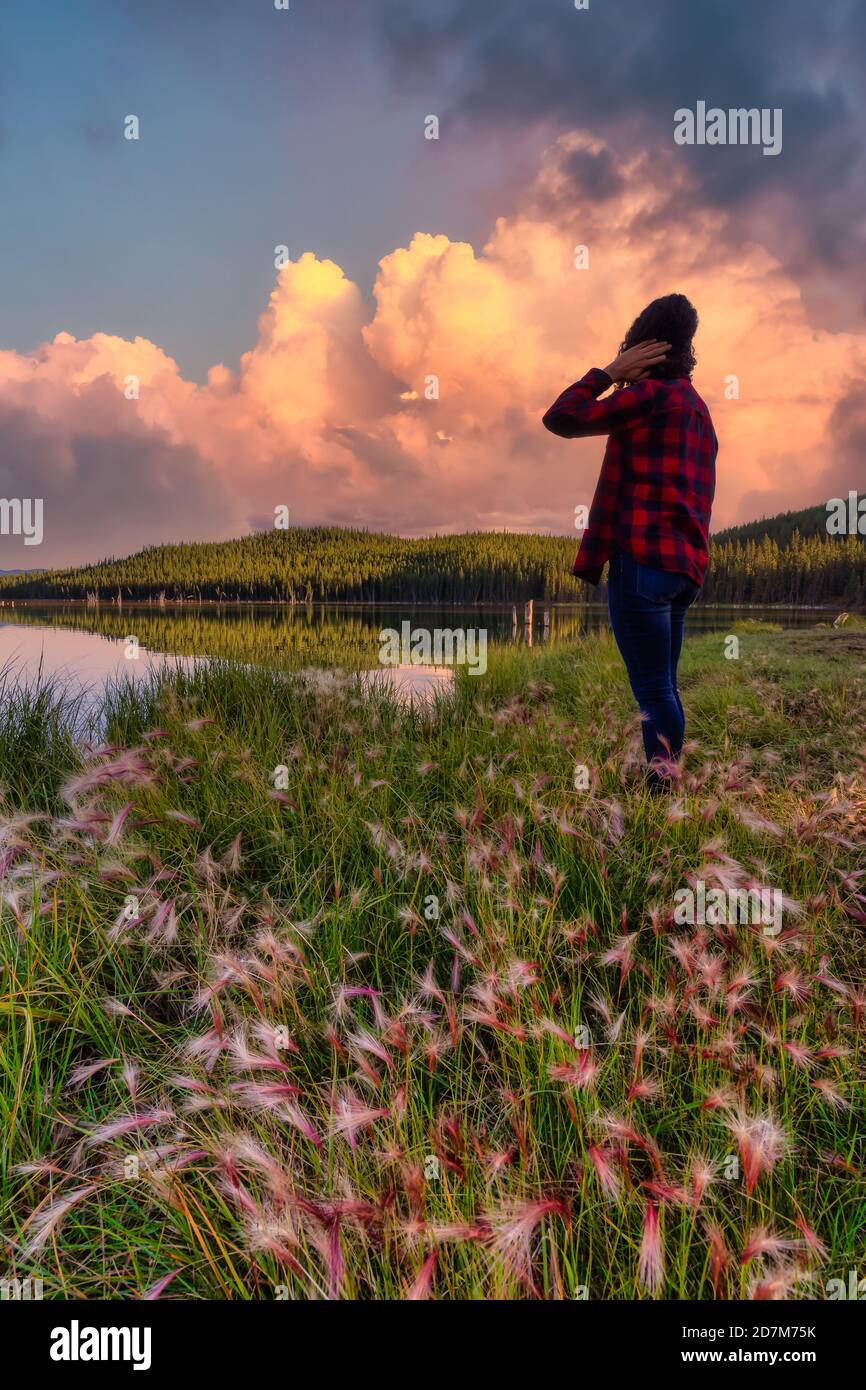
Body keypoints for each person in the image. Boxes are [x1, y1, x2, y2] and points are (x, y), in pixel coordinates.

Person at [542, 293, 717, 789]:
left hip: (642, 563)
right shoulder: (697, 410)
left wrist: (607, 372)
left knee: (653, 689)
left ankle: (661, 790)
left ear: (645, 351)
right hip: (683, 570)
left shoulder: (651, 399)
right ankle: (668, 781)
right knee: (664, 685)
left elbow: (562, 417)